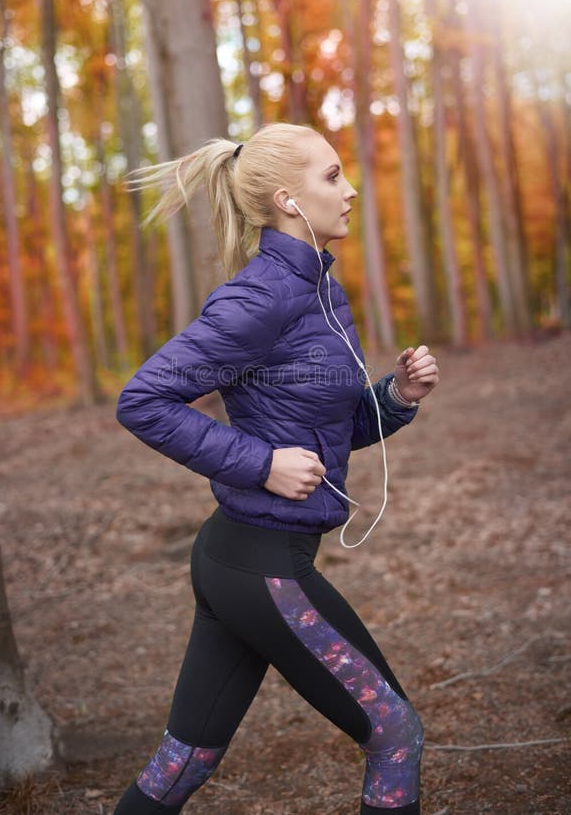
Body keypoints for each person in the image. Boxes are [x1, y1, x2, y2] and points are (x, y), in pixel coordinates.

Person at [112, 122, 439, 814]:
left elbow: (324, 435)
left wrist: (396, 398)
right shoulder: (260, 297)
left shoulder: (320, 291)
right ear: (288, 200)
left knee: (185, 761)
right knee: (395, 735)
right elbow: (143, 400)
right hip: (261, 566)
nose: (350, 191)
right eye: (332, 176)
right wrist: (260, 464)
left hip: (241, 560)